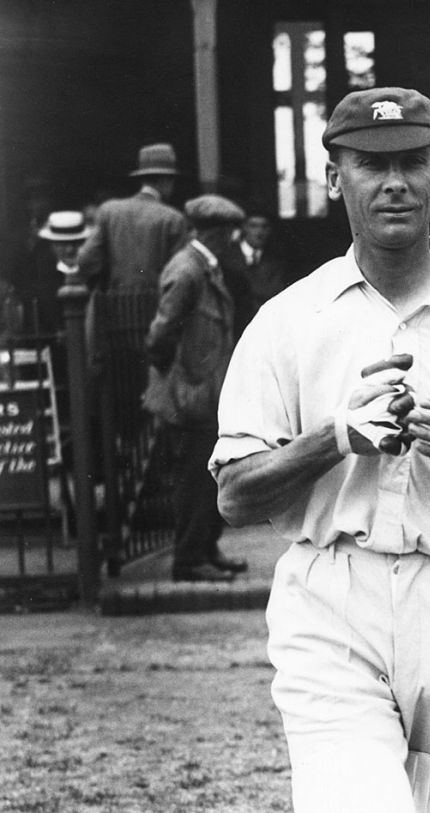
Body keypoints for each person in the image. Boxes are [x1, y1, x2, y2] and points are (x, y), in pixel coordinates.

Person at [209, 87, 430, 813]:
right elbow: (235, 492)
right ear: (336, 176)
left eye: (412, 162)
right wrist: (337, 437)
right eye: (370, 163)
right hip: (335, 597)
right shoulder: (290, 319)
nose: (393, 182)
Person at [143, 194, 248, 583]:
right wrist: (178, 380)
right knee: (192, 482)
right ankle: (188, 559)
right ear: (216, 234)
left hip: (203, 394)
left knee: (207, 477)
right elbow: (161, 334)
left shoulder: (203, 267)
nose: (232, 241)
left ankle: (206, 549)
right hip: (190, 397)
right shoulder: (187, 270)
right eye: (228, 234)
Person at [77, 143, 189, 293]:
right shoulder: (173, 218)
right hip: (158, 308)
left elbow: (86, 260)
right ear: (165, 180)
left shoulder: (109, 211)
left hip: (115, 305)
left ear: (142, 178)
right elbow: (180, 274)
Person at [221, 206, 291, 338]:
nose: (259, 232)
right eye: (253, 226)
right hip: (233, 331)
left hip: (265, 330)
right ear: (243, 228)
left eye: (264, 227)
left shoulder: (276, 260)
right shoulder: (227, 258)